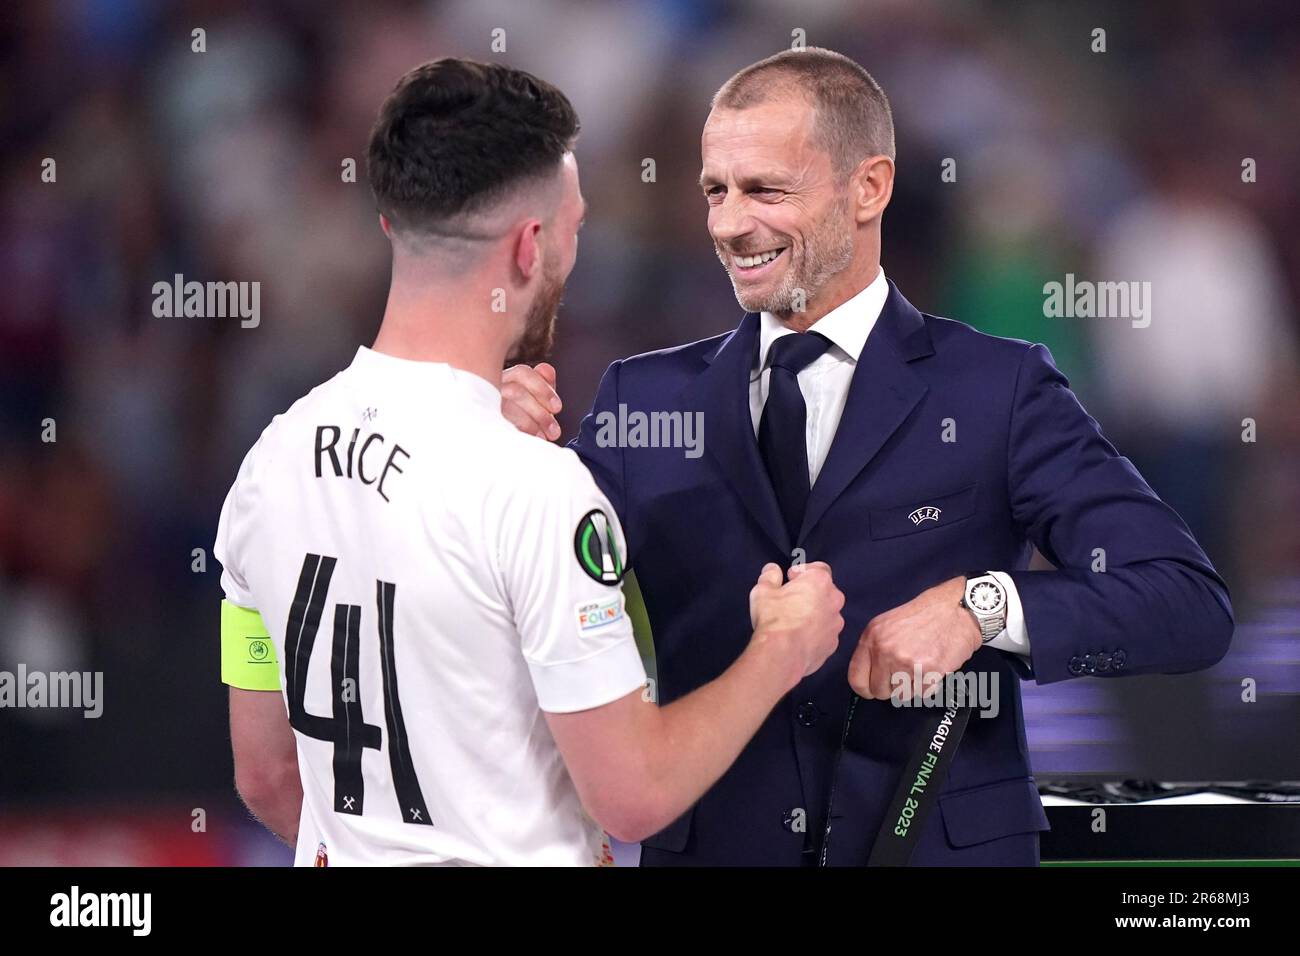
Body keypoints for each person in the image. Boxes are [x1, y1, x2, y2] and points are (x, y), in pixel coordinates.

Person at [500, 47, 1234, 866]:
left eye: (765, 189)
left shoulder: (999, 389)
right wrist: (506, 458)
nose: (728, 224)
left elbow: (1185, 605)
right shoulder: (645, 400)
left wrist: (982, 607)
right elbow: (521, 586)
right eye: (717, 190)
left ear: (869, 188)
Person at [214, 57, 843, 866]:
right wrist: (779, 651)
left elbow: (266, 775)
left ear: (392, 226)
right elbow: (633, 794)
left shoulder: (271, 462)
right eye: (575, 231)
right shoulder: (533, 489)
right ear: (529, 247)